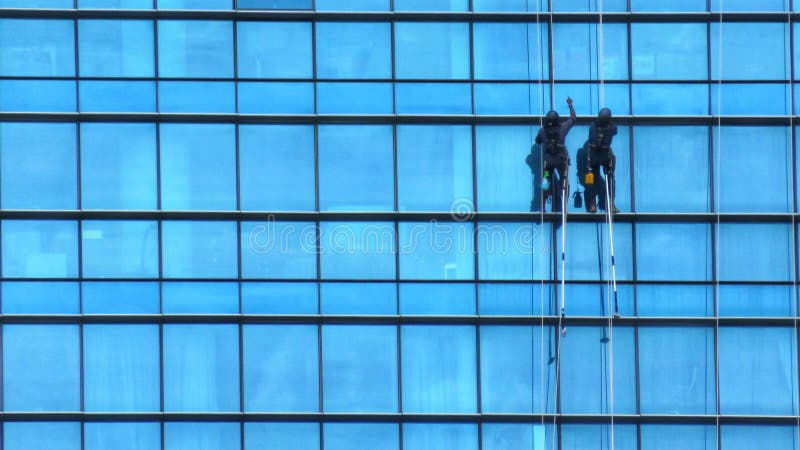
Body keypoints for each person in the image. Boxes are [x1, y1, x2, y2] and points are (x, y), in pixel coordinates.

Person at [532, 97, 576, 213]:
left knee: (545, 181)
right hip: (561, 161)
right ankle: (564, 206)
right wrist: (570, 105)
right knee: (564, 180)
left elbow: (537, 142)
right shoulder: (563, 128)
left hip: (549, 163)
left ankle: (542, 206)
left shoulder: (542, 131)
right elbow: (573, 118)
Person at [583, 107, 619, 213]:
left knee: (590, 180)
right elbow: (615, 131)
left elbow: (590, 136)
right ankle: (611, 203)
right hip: (605, 157)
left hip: (593, 157)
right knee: (610, 178)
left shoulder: (592, 126)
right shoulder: (612, 128)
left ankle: (592, 204)